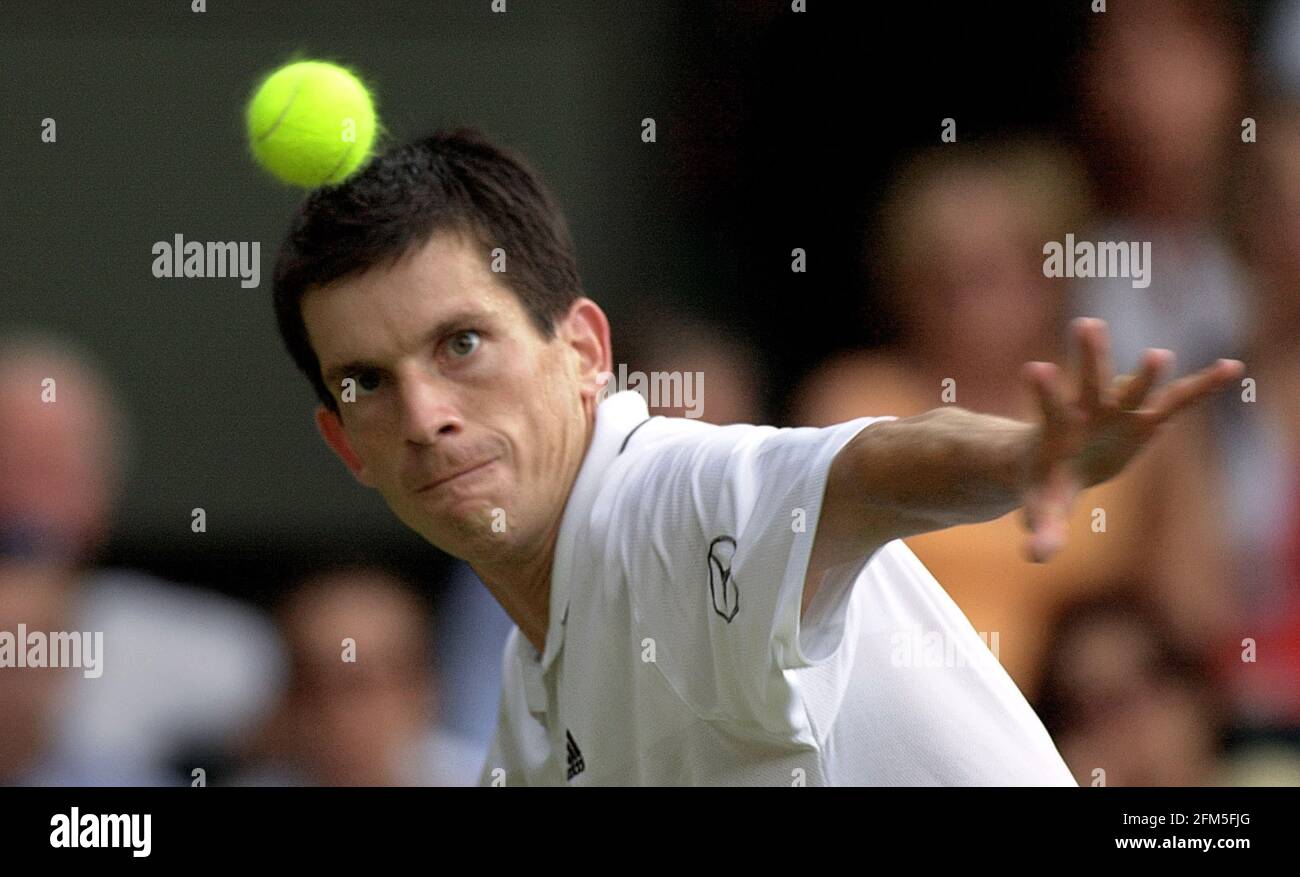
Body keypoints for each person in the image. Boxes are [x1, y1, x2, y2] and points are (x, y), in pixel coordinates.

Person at [269, 128, 1242, 785]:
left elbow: (868, 470)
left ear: (584, 353)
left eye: (461, 344)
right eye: (367, 382)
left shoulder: (666, 499)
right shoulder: (530, 711)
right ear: (344, 444)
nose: (424, 414)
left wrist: (1023, 455)